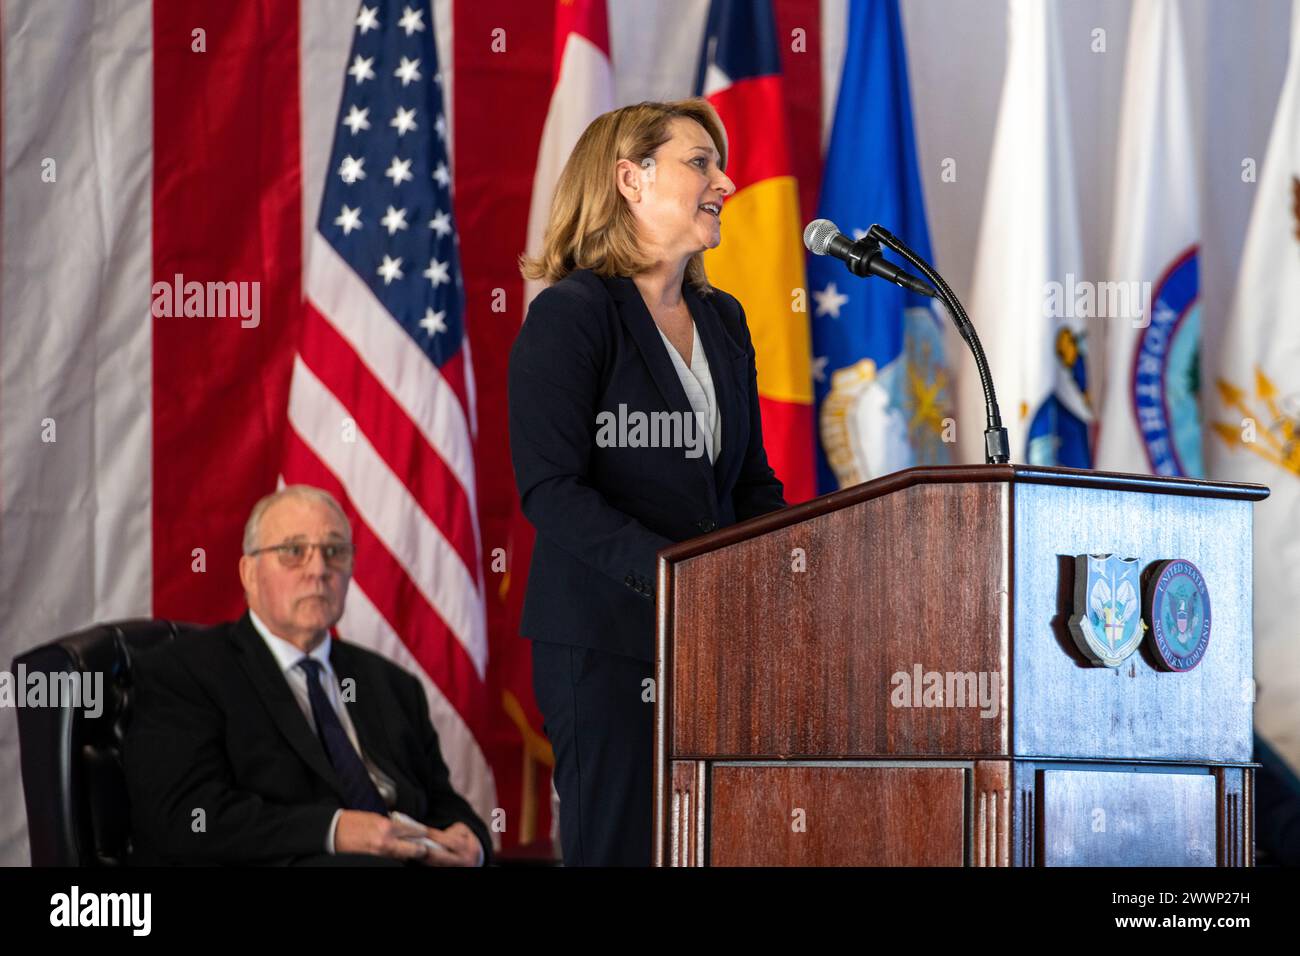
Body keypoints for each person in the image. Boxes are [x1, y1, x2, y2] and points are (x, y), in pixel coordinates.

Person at [509, 99, 787, 866]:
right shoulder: (572, 316)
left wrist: (797, 563)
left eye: (718, 164)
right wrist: (679, 580)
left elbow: (752, 483)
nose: (725, 181)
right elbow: (551, 488)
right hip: (606, 647)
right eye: (699, 162)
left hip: (718, 643)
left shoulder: (723, 319)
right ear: (629, 180)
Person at [124, 485, 490, 866]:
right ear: (249, 572)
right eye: (293, 552)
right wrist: (333, 830)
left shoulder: (392, 684)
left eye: (334, 552)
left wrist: (473, 842)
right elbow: (184, 818)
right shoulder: (185, 671)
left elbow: (442, 801)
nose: (318, 570)